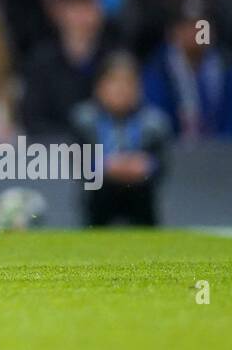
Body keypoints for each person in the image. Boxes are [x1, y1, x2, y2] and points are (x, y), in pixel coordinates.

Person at [71, 51, 172, 227]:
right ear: (99, 87)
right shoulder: (84, 120)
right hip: (99, 202)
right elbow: (79, 163)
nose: (122, 89)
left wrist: (145, 166)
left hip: (141, 199)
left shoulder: (154, 123)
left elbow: (161, 165)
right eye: (114, 82)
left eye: (129, 83)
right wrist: (106, 166)